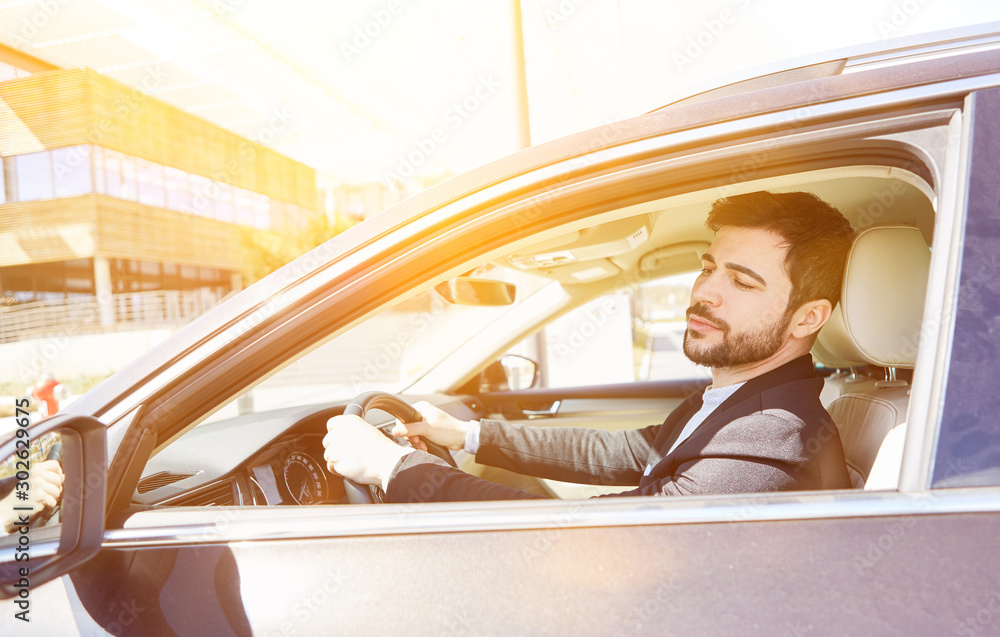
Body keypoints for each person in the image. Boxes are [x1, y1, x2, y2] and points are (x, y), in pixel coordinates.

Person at [323, 190, 856, 502]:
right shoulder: (737, 399)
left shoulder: (773, 434)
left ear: (808, 317)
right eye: (708, 267)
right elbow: (630, 454)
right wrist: (465, 433)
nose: (705, 292)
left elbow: (607, 543)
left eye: (742, 282)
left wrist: (395, 471)